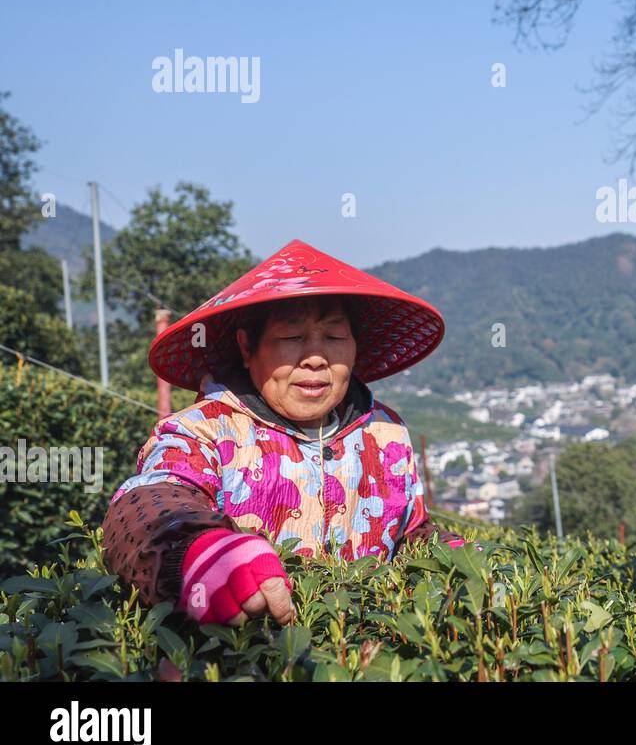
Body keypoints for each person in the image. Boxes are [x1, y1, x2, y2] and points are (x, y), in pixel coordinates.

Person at [101, 239, 471, 628]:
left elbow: (409, 530)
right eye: (292, 338)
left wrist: (456, 554)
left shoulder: (386, 433)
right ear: (247, 347)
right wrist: (201, 550)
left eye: (334, 338)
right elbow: (149, 504)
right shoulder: (202, 431)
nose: (315, 358)